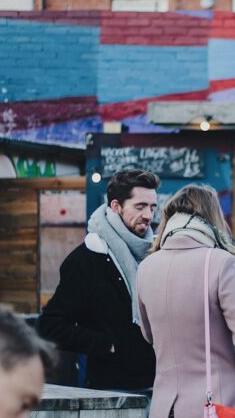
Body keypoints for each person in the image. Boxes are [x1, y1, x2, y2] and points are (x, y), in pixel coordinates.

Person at [136, 185, 235, 418]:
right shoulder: (220, 262)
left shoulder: (146, 266)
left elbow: (148, 335)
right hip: (219, 415)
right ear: (212, 217)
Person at [38, 168, 159, 393]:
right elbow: (50, 326)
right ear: (116, 206)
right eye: (140, 206)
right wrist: (107, 345)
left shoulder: (154, 254)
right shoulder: (87, 258)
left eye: (152, 207)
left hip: (158, 386)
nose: (149, 216)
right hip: (112, 392)